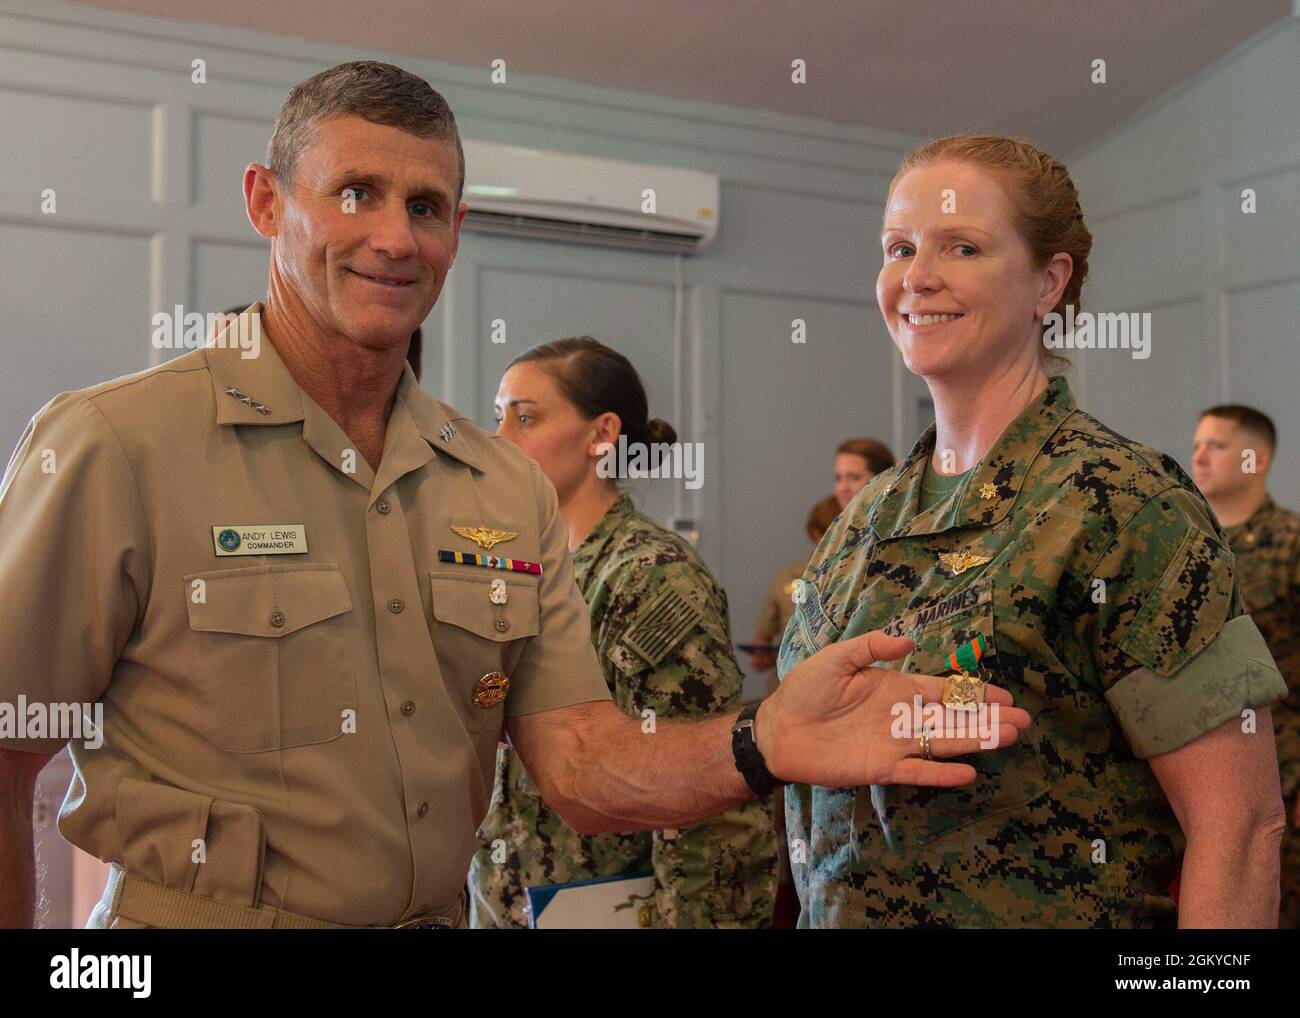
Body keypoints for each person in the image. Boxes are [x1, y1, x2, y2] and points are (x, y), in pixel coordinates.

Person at [0, 62, 1030, 930]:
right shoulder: (116, 446)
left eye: (427, 206)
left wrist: (763, 745)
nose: (395, 237)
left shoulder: (496, 483)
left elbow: (580, 762)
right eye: (354, 192)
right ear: (268, 202)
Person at [779, 134, 1288, 928]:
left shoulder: (1120, 502)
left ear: (1049, 281)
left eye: (964, 246)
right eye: (900, 247)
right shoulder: (863, 518)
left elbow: (1241, 829)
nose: (917, 276)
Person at [469, 338, 776, 928]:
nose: (501, 439)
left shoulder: (651, 575)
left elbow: (707, 802)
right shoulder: (524, 566)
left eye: (526, 417)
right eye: (497, 417)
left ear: (601, 435)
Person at [1192, 404, 1300, 928]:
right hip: (1202, 771)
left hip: (1288, 769)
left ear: (1258, 457)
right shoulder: (1189, 550)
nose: (1199, 454)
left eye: (1218, 445)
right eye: (1198, 443)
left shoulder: (1290, 543)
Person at [834, 437, 894, 509]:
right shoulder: (825, 516)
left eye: (854, 478)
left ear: (883, 480)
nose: (843, 488)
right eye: (838, 478)